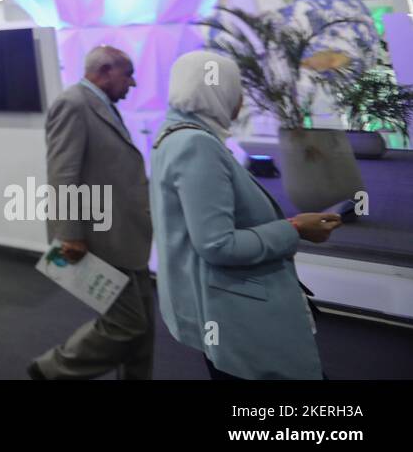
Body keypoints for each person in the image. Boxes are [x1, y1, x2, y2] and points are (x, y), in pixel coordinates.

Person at [151, 50, 338, 380]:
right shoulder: (197, 145)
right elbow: (217, 244)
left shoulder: (173, 135)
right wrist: (295, 229)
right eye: (237, 90)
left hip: (218, 309)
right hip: (238, 313)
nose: (241, 101)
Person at [30, 45, 153, 380]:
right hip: (98, 238)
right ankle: (53, 369)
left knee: (143, 329)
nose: (133, 83)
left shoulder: (102, 105)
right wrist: (69, 233)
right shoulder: (73, 104)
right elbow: (62, 174)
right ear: (105, 70)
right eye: (128, 74)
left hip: (127, 237)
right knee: (126, 325)